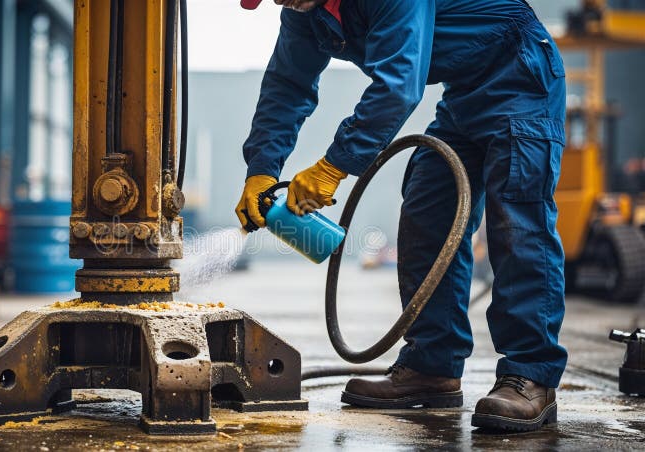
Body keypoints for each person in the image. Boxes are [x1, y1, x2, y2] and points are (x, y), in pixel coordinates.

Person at [235, 0, 567, 432]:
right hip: (465, 94)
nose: (282, 1)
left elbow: (398, 84)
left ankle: (531, 375)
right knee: (427, 210)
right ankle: (434, 368)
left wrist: (334, 165)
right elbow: (287, 84)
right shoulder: (304, 13)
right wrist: (261, 169)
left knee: (518, 225)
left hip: (520, 76)